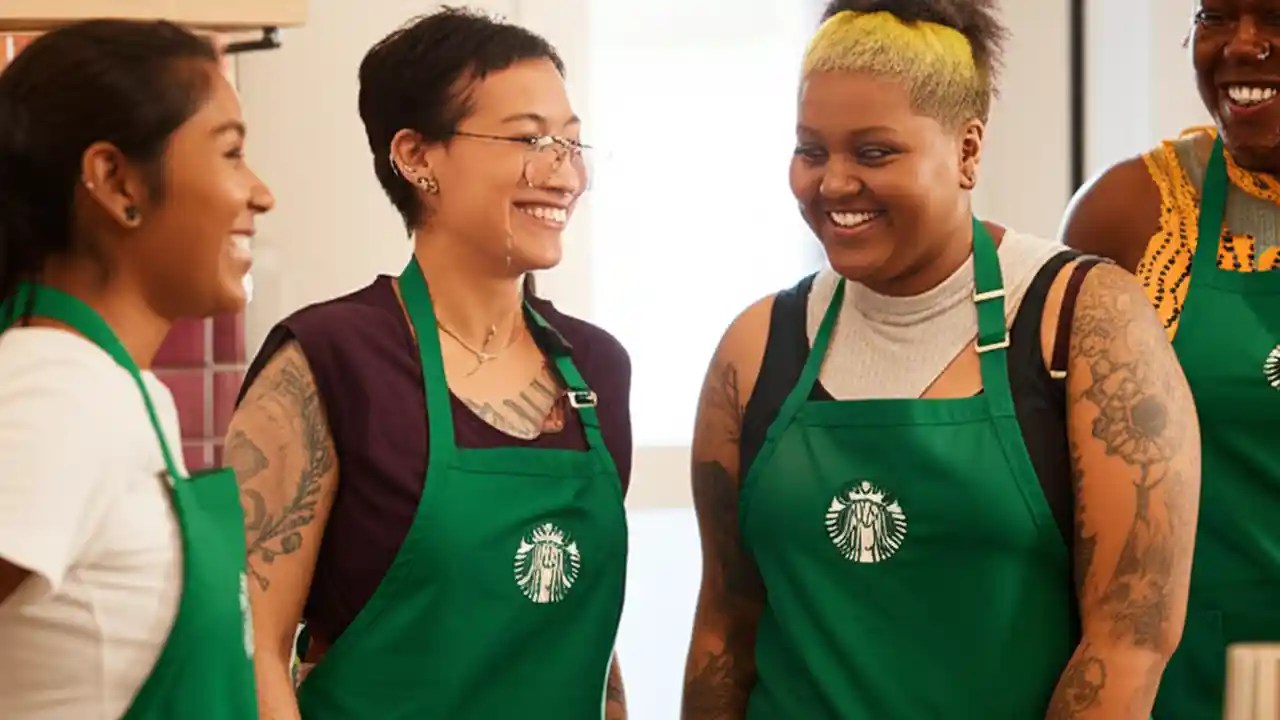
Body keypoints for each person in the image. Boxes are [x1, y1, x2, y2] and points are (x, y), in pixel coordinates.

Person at [680, 1, 1204, 718]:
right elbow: (724, 624)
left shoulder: (1079, 323)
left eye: (874, 153)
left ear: (967, 151)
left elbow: (1130, 642)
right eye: (811, 150)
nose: (832, 184)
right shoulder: (760, 342)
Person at [225, 8, 632, 719]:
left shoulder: (596, 368)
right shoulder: (329, 361)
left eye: (570, 143)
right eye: (528, 138)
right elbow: (250, 644)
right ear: (415, 156)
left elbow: (587, 642)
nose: (564, 172)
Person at [0, 19, 274, 720]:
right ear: (117, 181)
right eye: (232, 152)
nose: (260, 193)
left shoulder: (114, 389)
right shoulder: (57, 392)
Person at [1061, 2, 1280, 716]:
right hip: (1185, 680)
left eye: (1275, 16)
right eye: (1217, 14)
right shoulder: (1131, 214)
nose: (1242, 45)